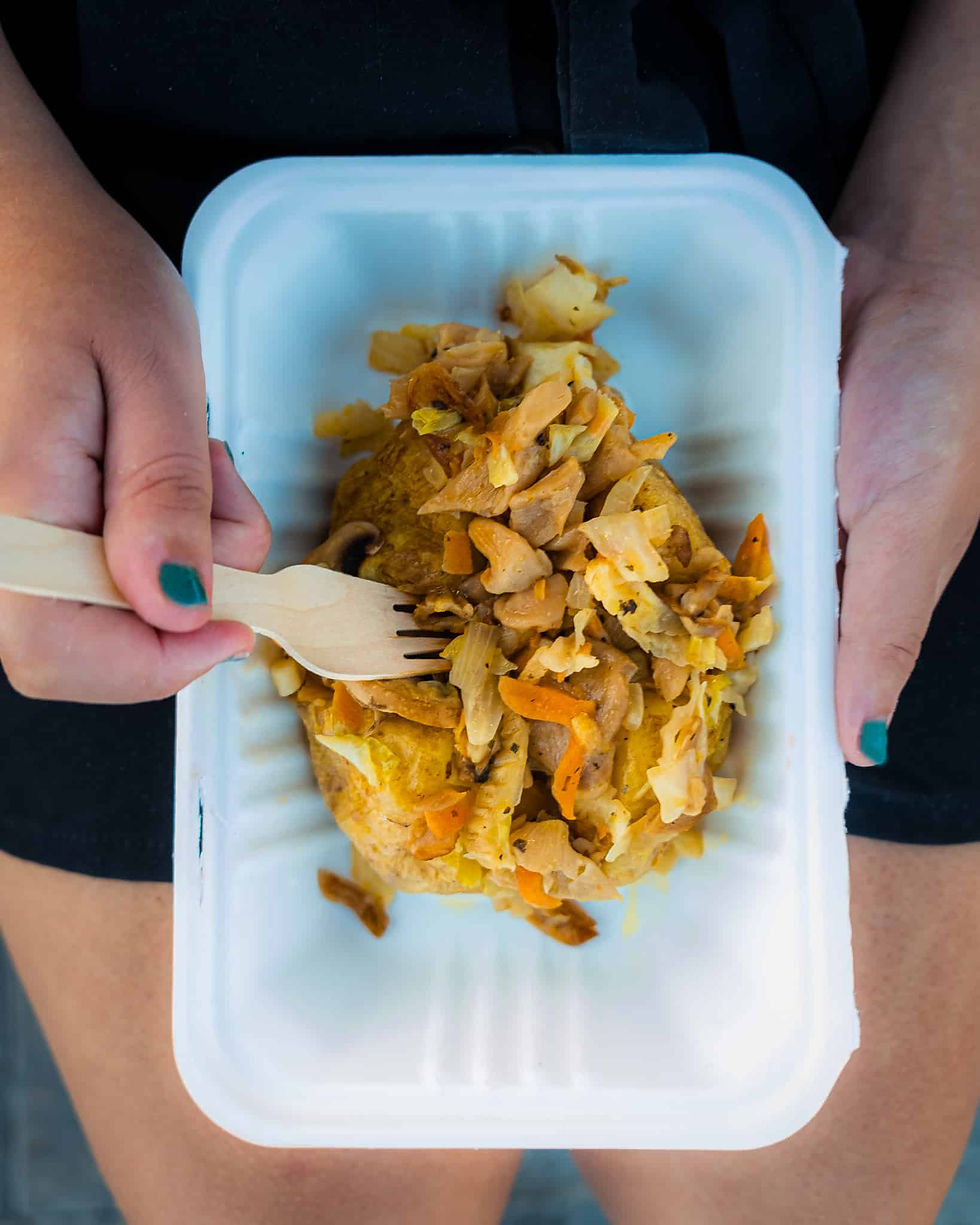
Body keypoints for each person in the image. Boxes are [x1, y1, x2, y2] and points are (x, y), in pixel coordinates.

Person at [0, 2, 977, 1222]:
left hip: (835, 194)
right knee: (310, 1190)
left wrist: (953, 190)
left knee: (803, 1192)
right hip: (127, 249)